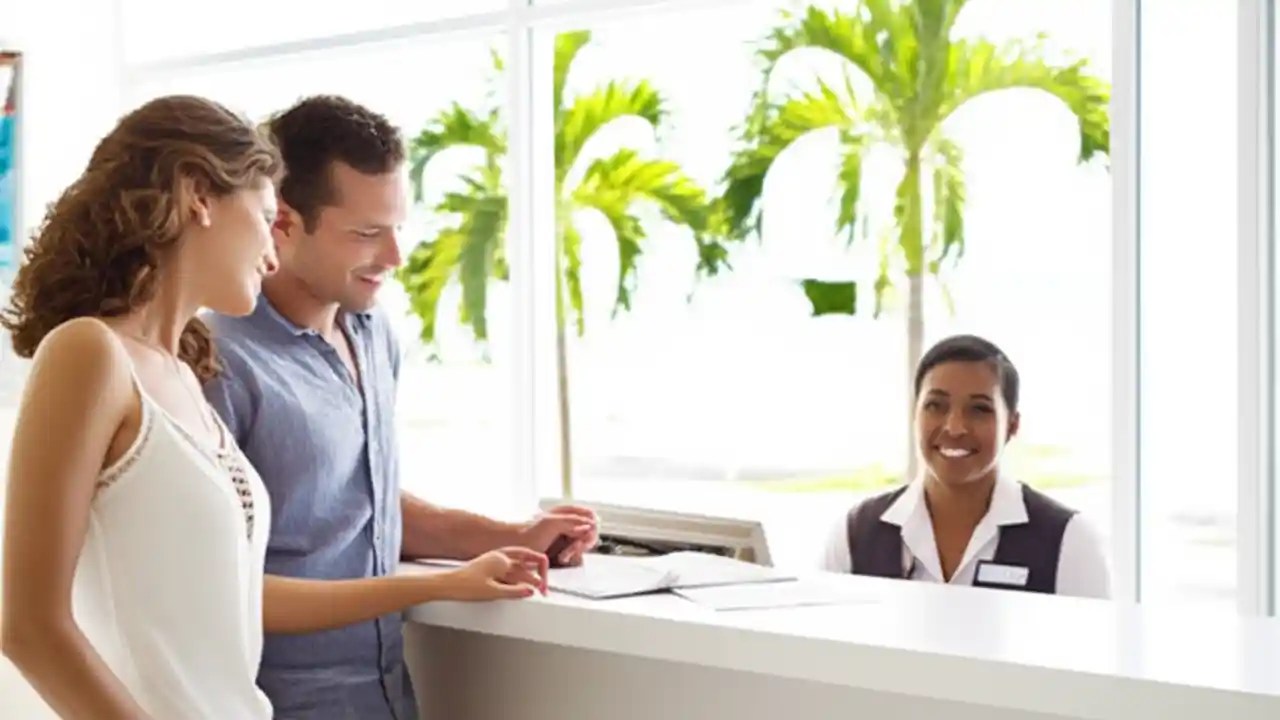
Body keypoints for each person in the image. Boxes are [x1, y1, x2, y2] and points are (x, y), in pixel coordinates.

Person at [0, 95, 551, 720]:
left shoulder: (186, 374)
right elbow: (29, 628)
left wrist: (449, 578)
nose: (271, 249)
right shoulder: (88, 353)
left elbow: (232, 599)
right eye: (265, 216)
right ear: (197, 197)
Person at [201, 94, 601, 719]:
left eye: (395, 229)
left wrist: (516, 536)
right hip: (280, 703)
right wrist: (445, 582)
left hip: (387, 695)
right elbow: (212, 584)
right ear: (281, 222)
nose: (393, 257)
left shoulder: (372, 332)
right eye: (365, 234)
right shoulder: (218, 360)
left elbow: (361, 506)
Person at [822, 334, 1111, 599]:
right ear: (915, 414)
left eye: (979, 409)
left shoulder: (1068, 540)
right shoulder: (856, 533)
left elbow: (1091, 652)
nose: (955, 427)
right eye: (936, 406)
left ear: (1012, 425)